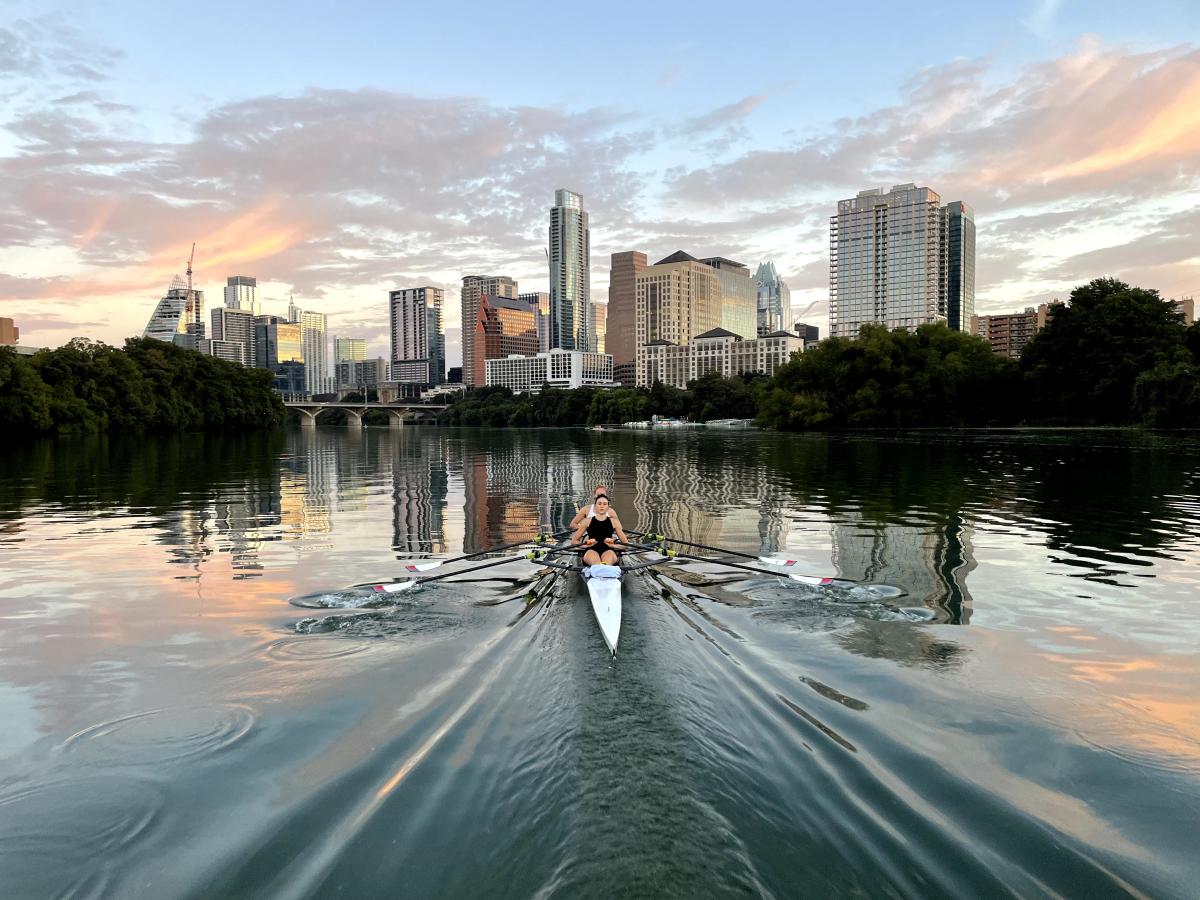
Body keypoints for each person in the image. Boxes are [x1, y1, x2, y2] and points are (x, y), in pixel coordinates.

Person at [572, 494, 628, 567]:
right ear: (595, 506)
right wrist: (585, 546)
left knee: (605, 565)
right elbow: (574, 541)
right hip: (591, 550)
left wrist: (614, 545)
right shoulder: (586, 521)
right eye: (599, 504)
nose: (602, 506)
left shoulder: (614, 522)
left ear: (608, 507)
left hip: (609, 550)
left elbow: (625, 544)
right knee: (598, 565)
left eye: (605, 504)